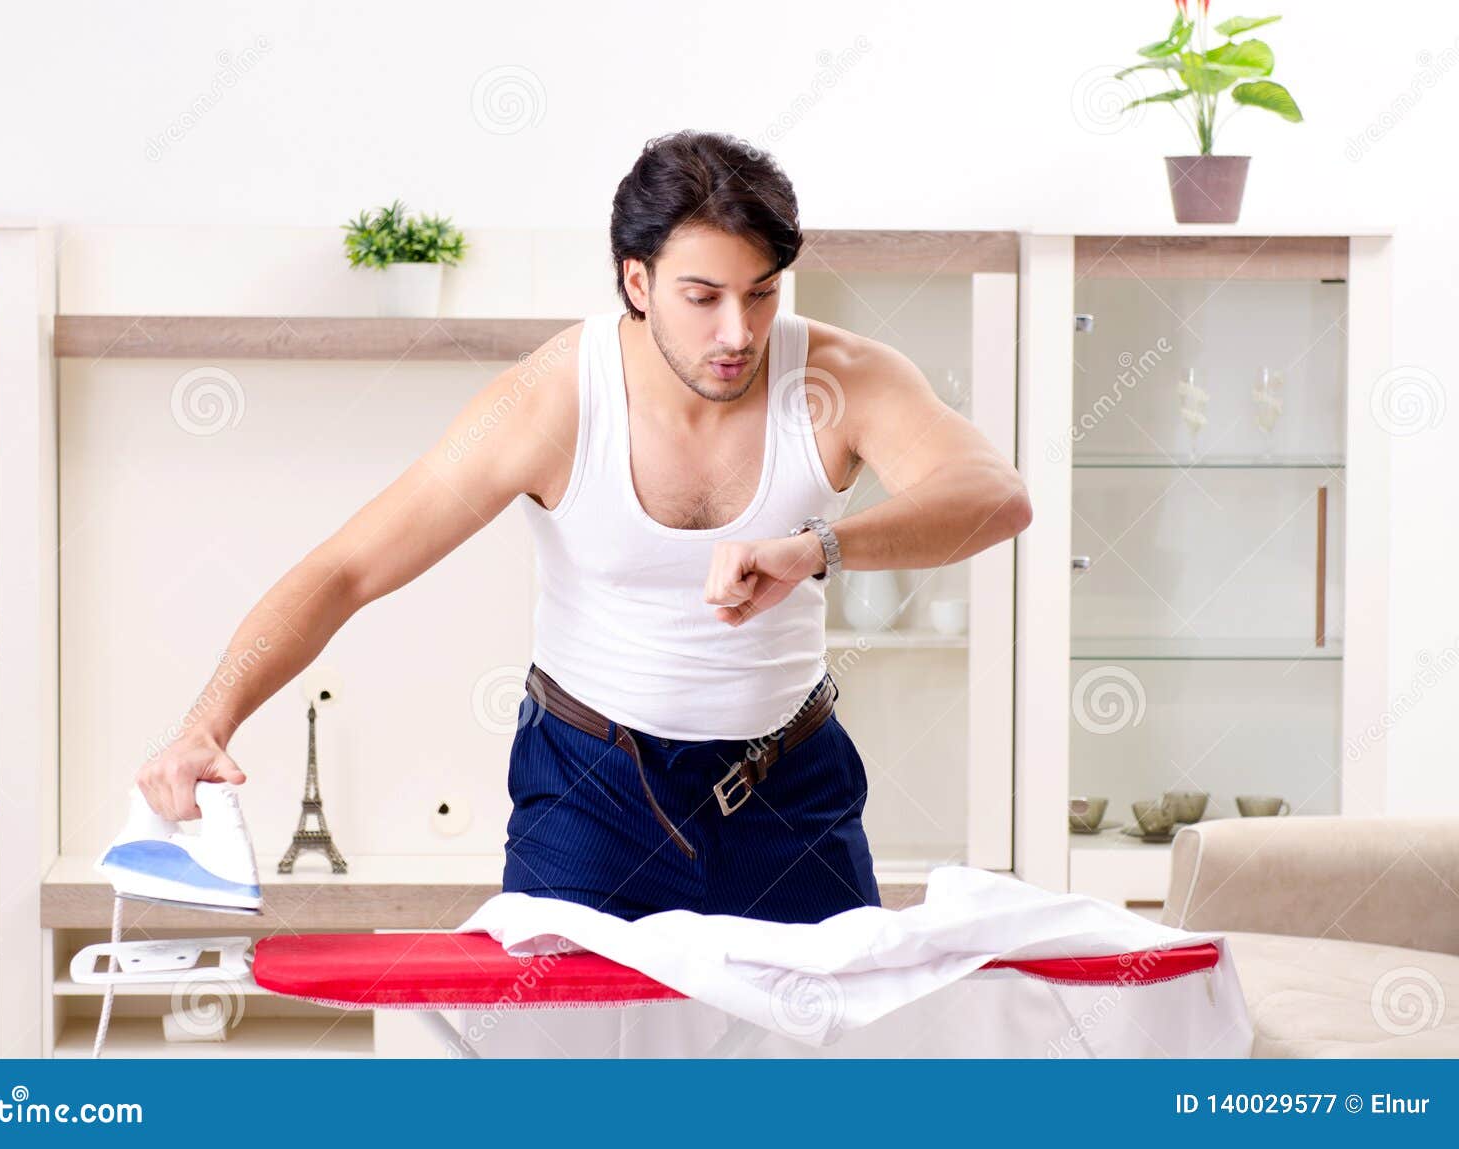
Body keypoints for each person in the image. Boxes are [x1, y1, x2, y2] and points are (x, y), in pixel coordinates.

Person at [133, 129, 1031, 924]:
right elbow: (349, 568)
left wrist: (820, 547)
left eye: (762, 294)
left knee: (822, 1094)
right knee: (566, 1098)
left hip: (788, 789)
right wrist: (207, 722)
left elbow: (995, 494)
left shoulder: (836, 377)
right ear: (635, 280)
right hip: (592, 796)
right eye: (702, 294)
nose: (738, 330)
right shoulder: (554, 397)